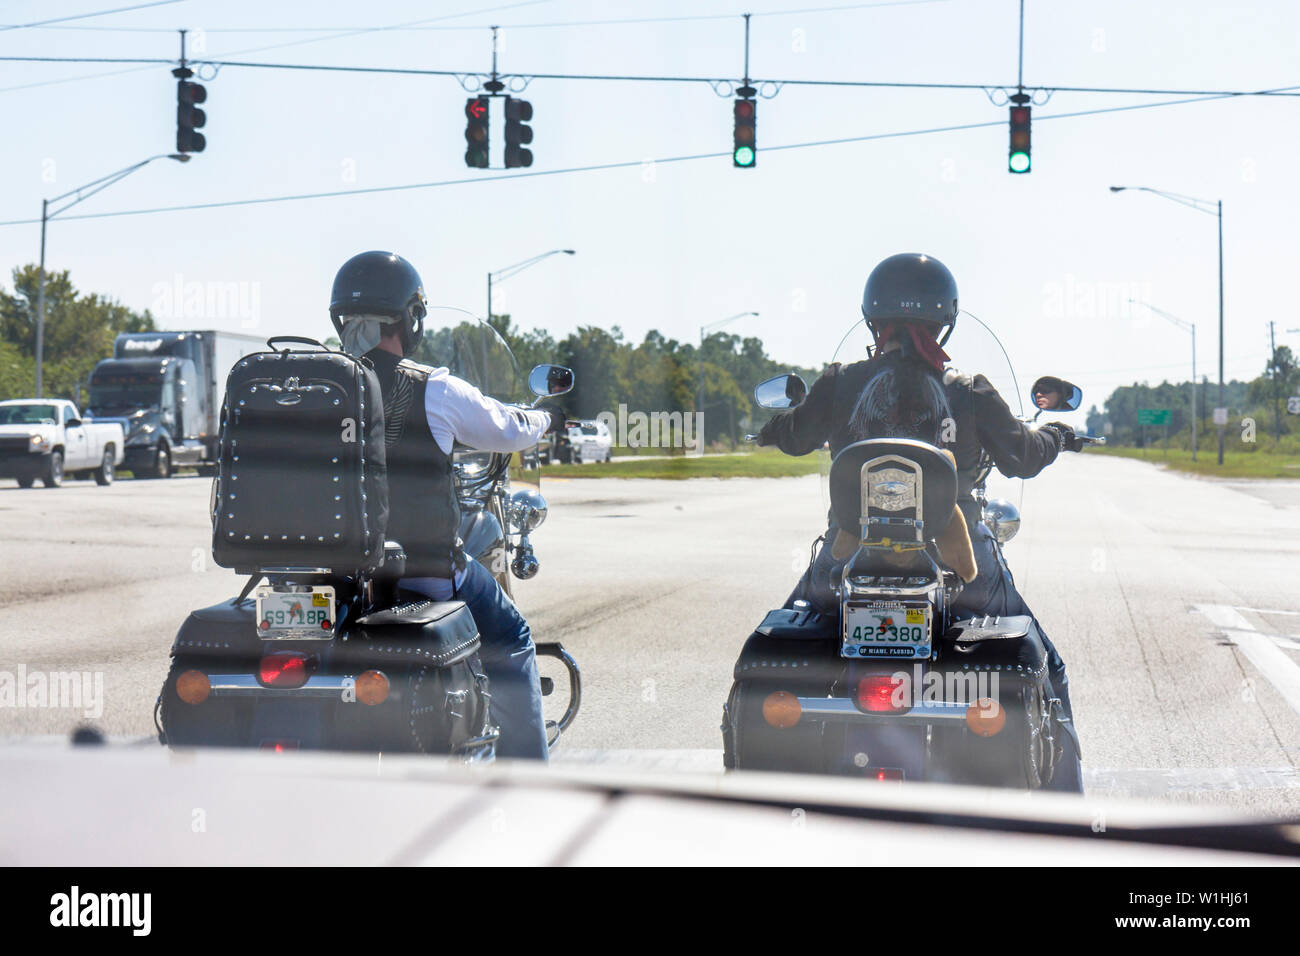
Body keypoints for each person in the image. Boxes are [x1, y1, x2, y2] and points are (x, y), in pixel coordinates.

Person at [758, 252, 1086, 792]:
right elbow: (1023, 456)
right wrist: (1058, 435)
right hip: (960, 554)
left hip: (851, 552)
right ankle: (1068, 827)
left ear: (872, 319)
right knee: (1048, 668)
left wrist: (771, 429)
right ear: (945, 320)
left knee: (793, 627)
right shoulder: (970, 390)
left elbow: (795, 435)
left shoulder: (841, 383)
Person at [329, 250, 566, 761]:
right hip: (422, 572)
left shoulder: (322, 388)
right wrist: (546, 419)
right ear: (409, 318)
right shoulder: (431, 388)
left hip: (336, 579)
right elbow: (506, 429)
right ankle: (528, 778)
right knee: (512, 636)